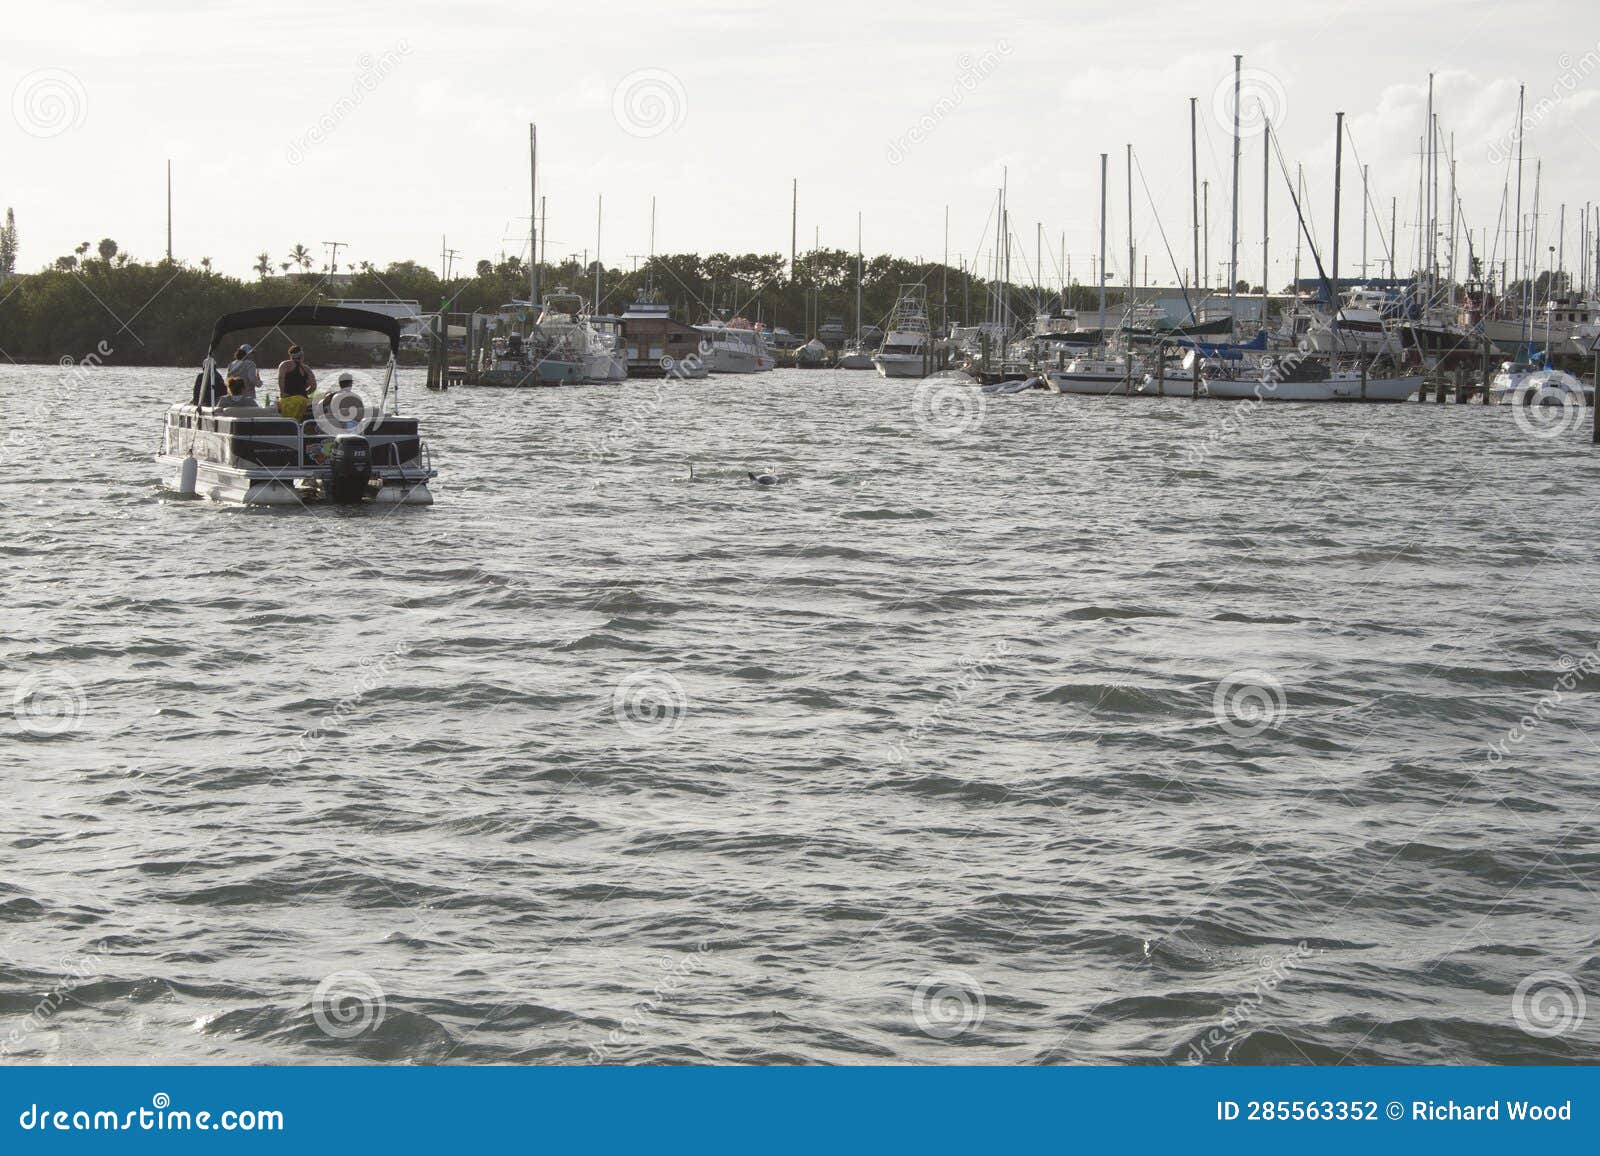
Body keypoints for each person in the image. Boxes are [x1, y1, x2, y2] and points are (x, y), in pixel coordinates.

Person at [276, 344, 317, 419]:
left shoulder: (285, 364)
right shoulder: (307, 368)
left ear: (290, 355)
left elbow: (281, 378)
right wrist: (305, 393)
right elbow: (314, 386)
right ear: (302, 356)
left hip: (288, 398)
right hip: (303, 399)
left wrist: (282, 392)